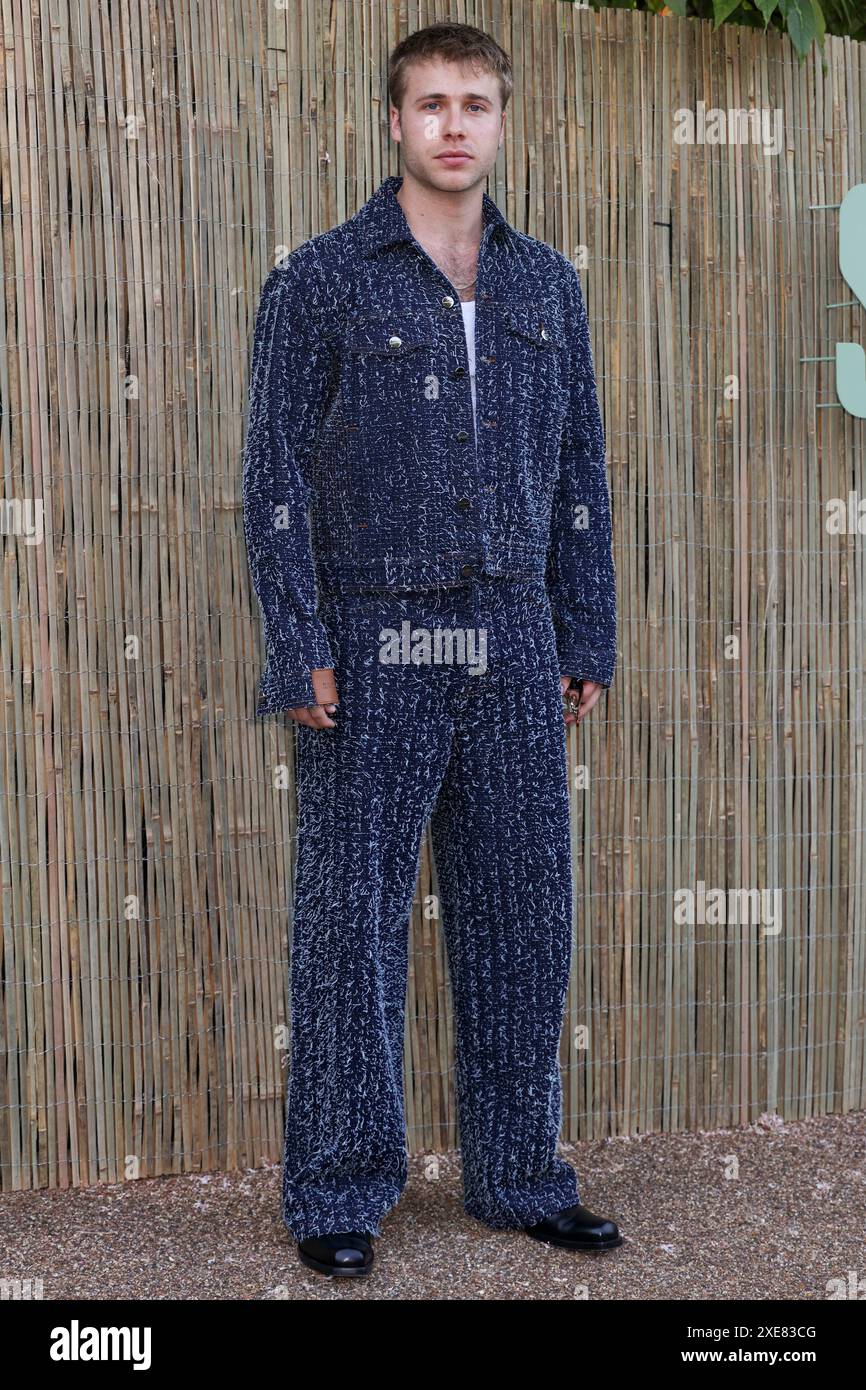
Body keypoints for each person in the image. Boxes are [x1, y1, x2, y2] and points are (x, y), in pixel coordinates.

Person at [243, 20, 620, 1278]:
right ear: (391, 123)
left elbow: (578, 472)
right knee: (351, 920)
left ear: (501, 123)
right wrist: (300, 645)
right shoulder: (319, 278)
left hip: (514, 634)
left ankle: (518, 1175)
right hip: (370, 633)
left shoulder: (546, 286)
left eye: (475, 103)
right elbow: (273, 479)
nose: (454, 124)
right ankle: (340, 1189)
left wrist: (584, 633)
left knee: (523, 911)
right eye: (430, 104)